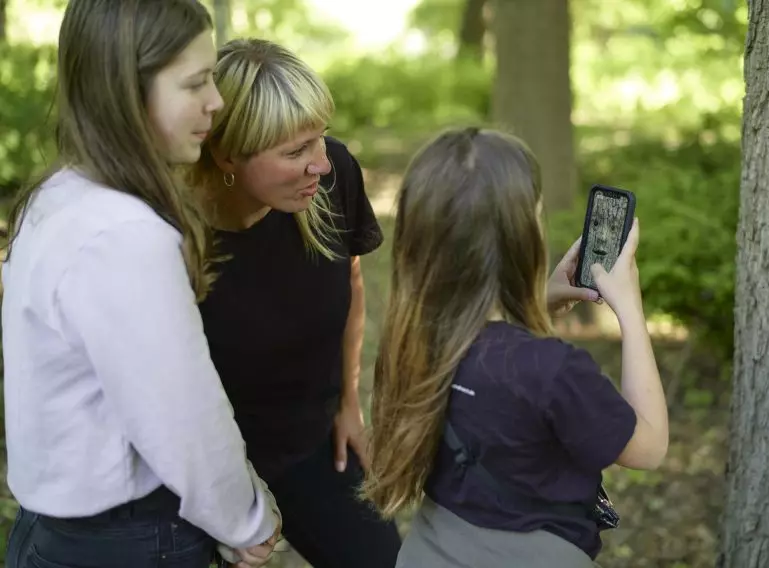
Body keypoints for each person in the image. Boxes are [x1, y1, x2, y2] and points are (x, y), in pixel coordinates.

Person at [2, 2, 281, 567]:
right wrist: (246, 517)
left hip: (56, 529)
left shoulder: (61, 195)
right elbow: (184, 417)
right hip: (124, 540)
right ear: (125, 93)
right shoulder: (122, 234)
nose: (217, 102)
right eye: (195, 83)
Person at [362, 127, 669, 567]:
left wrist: (538, 298)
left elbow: (479, 343)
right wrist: (630, 310)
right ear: (523, 237)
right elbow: (649, 446)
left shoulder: (411, 342)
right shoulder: (553, 371)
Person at [186, 38, 401, 568]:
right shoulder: (168, 235)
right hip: (197, 465)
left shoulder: (332, 182)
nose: (321, 165)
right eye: (295, 151)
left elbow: (350, 284)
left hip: (310, 439)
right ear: (226, 153)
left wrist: (349, 404)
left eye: (320, 140)